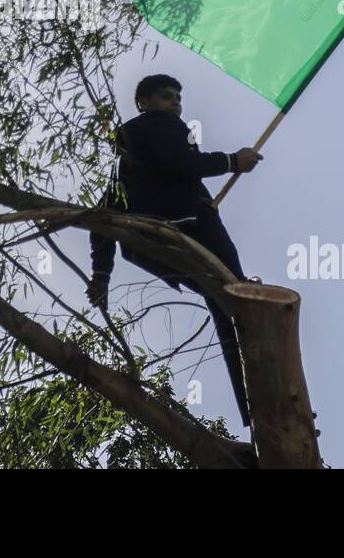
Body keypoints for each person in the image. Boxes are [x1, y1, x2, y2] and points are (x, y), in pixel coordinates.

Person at [86, 74, 261, 427]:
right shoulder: (161, 126)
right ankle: (264, 405)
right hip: (191, 228)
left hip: (155, 246)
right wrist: (232, 161)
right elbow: (181, 164)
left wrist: (101, 274)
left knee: (225, 305)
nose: (176, 106)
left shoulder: (125, 161)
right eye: (167, 98)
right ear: (144, 102)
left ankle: (253, 410)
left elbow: (104, 217)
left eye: (178, 100)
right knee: (240, 305)